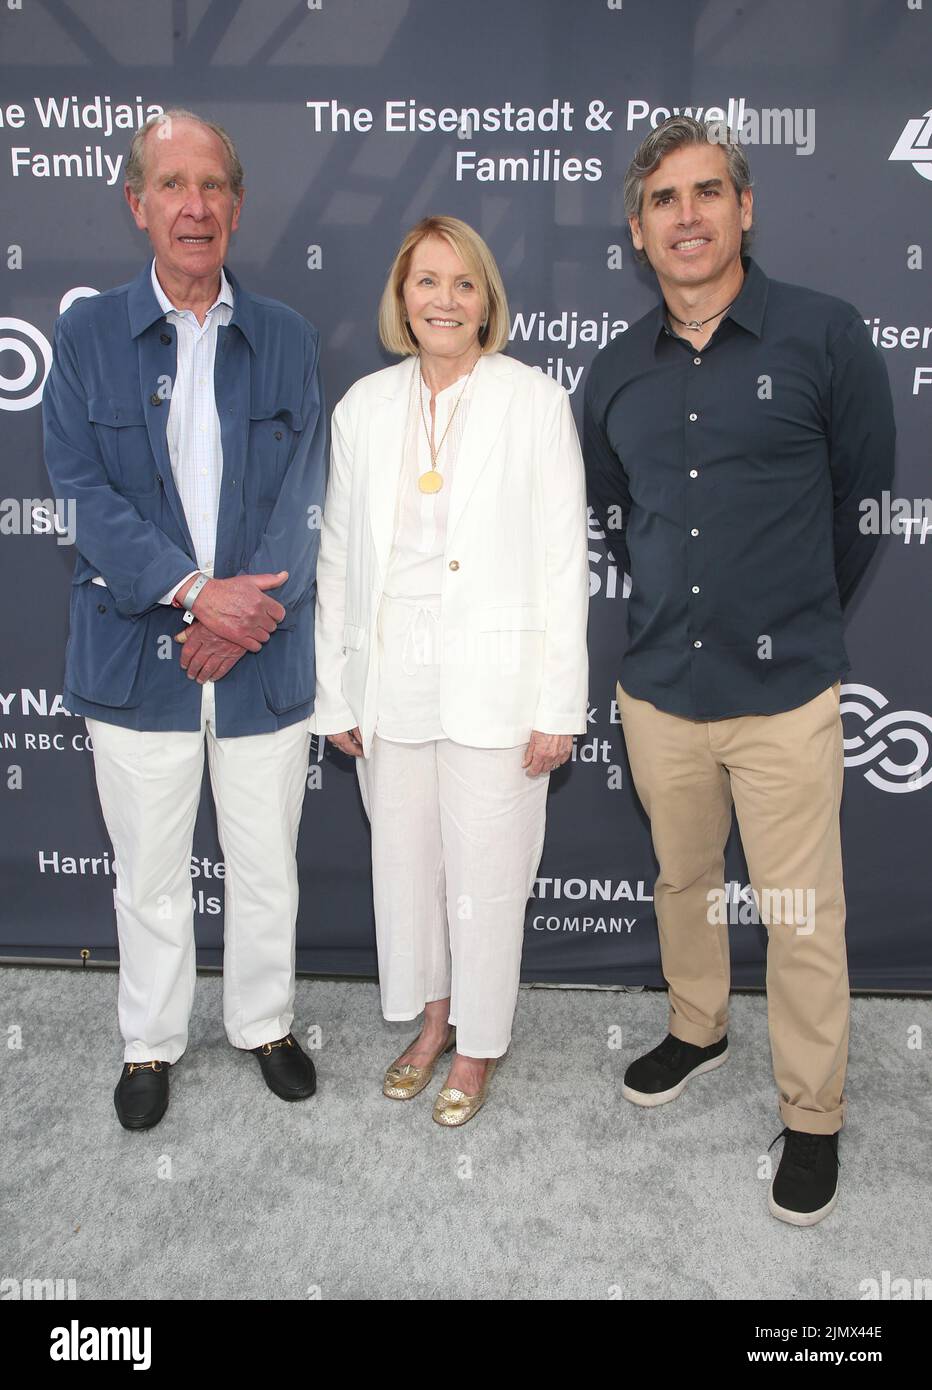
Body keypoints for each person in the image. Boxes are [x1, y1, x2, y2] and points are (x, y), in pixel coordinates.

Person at [584, 117, 895, 1224]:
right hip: (660, 685)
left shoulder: (823, 335)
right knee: (681, 880)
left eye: (706, 192)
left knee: (801, 912)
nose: (686, 215)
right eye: (663, 200)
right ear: (637, 229)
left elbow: (859, 507)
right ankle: (696, 1026)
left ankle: (811, 1115)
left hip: (783, 693)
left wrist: (785, 609)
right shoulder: (612, 370)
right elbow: (619, 518)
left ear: (743, 207)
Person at [42, 109, 327, 1130]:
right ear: (137, 204)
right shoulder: (82, 335)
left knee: (263, 861)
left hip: (261, 655)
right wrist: (193, 592)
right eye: (171, 185)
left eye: (212, 187)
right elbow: (80, 492)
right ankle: (150, 1042)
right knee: (150, 872)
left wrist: (246, 612)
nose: (194, 206)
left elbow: (308, 488)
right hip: (134, 652)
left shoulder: (287, 336)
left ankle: (263, 1022)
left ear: (237, 206)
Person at [313, 216, 589, 1127]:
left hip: (497, 680)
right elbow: (339, 561)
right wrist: (337, 690)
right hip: (393, 675)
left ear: (487, 302)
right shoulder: (363, 407)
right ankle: (431, 1021)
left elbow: (561, 563)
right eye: (426, 281)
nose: (444, 299)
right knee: (407, 867)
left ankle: (478, 1044)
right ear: (402, 297)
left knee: (488, 869)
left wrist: (557, 702)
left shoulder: (535, 402)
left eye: (463, 283)